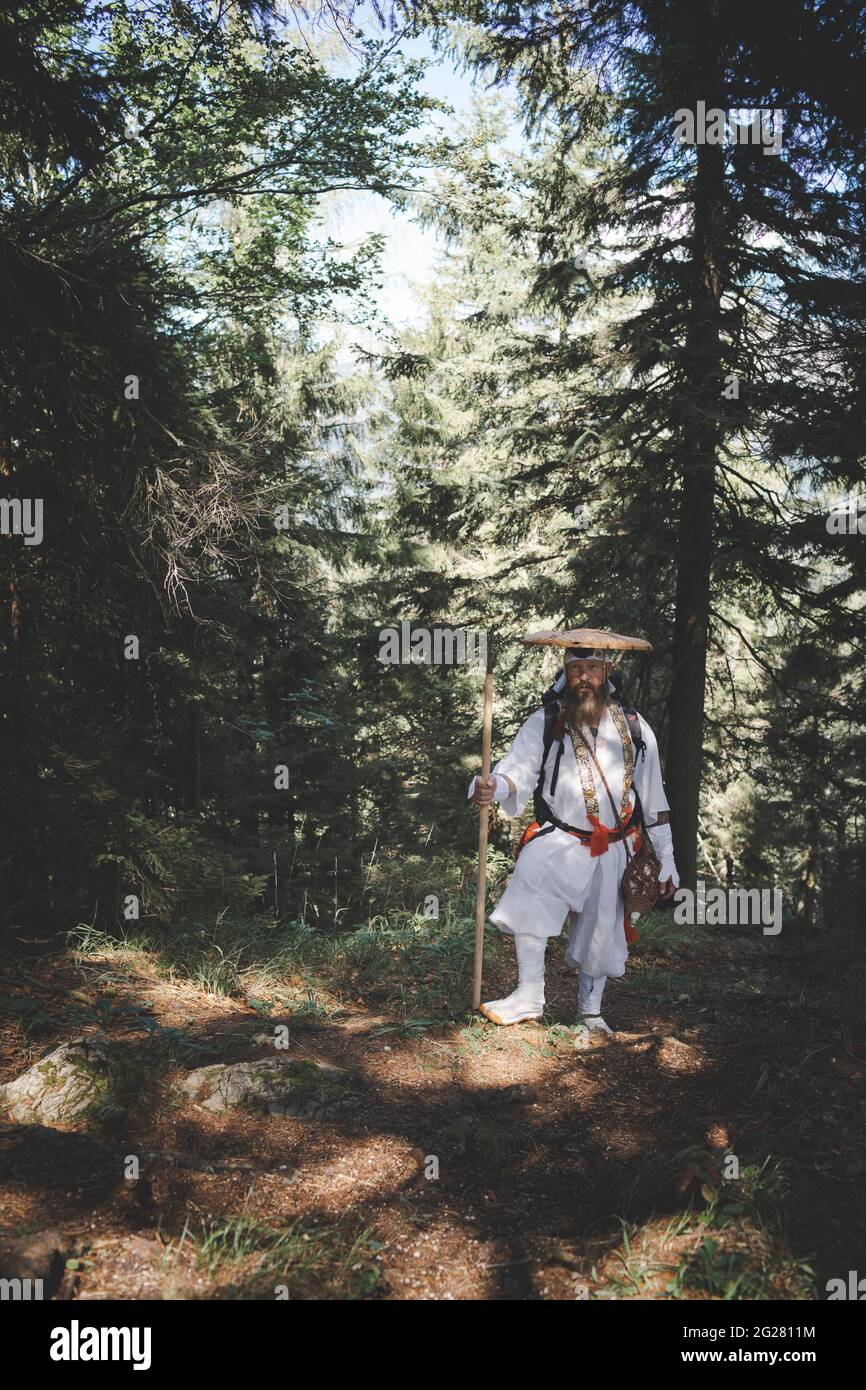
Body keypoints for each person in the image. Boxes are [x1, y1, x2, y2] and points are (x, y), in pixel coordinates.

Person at [468, 640, 679, 1039]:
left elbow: (655, 800)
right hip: (558, 839)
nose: (584, 676)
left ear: (606, 673)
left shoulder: (634, 725)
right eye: (576, 668)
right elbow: (517, 771)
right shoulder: (547, 720)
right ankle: (529, 995)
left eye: (593, 668)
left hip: (616, 846)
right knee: (529, 897)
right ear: (566, 672)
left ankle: (591, 1011)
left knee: (603, 929)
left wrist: (667, 859)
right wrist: (492, 786)